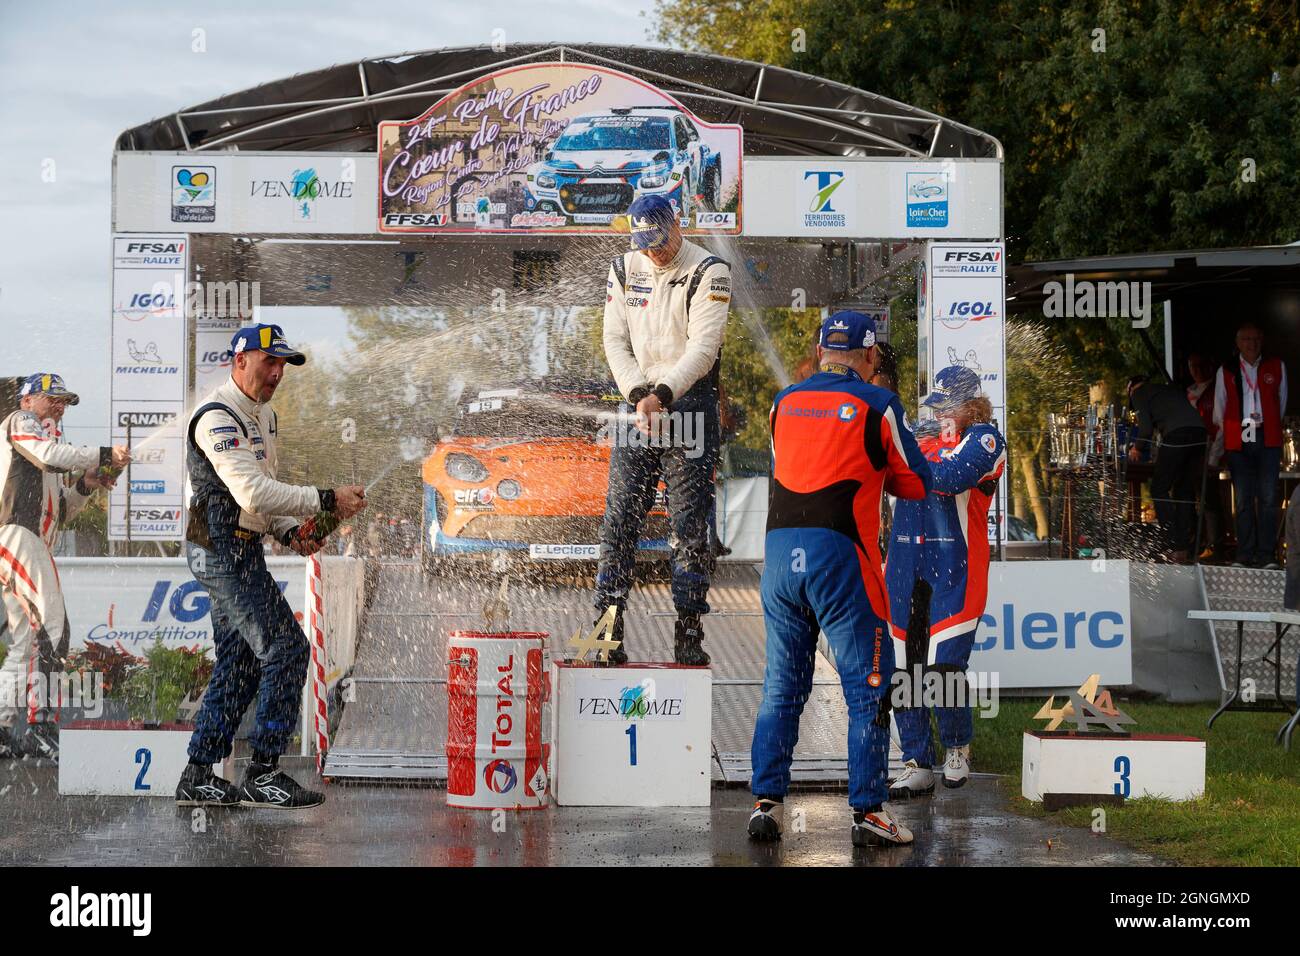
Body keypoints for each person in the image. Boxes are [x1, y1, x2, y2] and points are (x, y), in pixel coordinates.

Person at [748, 311, 931, 847]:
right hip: (843, 554)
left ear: (820, 350)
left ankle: (766, 805)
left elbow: (788, 467)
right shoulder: (879, 403)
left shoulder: (784, 402)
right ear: (871, 357)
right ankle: (869, 812)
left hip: (780, 556)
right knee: (869, 685)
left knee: (781, 686)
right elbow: (915, 482)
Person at [175, 323, 366, 809]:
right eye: (269, 363)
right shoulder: (216, 417)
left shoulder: (264, 417)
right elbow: (251, 491)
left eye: (283, 365)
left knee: (238, 662)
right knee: (287, 649)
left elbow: (264, 498)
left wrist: (295, 529)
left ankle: (197, 775)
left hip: (240, 550)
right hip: (218, 552)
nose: (278, 373)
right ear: (239, 362)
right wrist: (323, 497)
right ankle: (263, 772)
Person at [595, 194, 730, 665]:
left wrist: (663, 394)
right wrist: (637, 394)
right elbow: (613, 339)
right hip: (637, 405)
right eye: (643, 243)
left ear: (676, 226)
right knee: (618, 523)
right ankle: (604, 635)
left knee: (689, 528)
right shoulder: (623, 267)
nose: (652, 251)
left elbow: (704, 349)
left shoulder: (710, 270)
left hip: (688, 403)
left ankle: (688, 635)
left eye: (658, 241)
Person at [886, 365, 1005, 797]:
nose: (937, 415)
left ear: (970, 406)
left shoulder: (987, 438)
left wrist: (909, 456)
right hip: (903, 563)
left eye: (945, 408)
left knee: (944, 667)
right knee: (904, 668)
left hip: (956, 567)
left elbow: (951, 476)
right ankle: (917, 760)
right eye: (934, 407)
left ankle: (957, 746)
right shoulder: (918, 435)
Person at [0, 374, 128, 759]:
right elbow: (50, 455)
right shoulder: (21, 424)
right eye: (52, 398)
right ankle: (41, 726)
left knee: (24, 644)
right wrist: (102, 454)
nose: (60, 406)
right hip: (17, 535)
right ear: (27, 401)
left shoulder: (47, 451)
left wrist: (90, 483)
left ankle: (3, 724)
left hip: (29, 540)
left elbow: (64, 511)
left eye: (65, 401)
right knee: (54, 629)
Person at [1213, 322, 1288, 568]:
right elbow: (1219, 408)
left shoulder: (1276, 366)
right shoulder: (1227, 370)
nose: (1252, 343)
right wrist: (1231, 434)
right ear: (1238, 343)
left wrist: (1267, 424)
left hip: (1267, 434)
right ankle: (1244, 554)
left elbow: (1281, 402)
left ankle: (1267, 555)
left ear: (1262, 340)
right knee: (1244, 497)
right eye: (1246, 339)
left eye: (1256, 339)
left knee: (1268, 497)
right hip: (1240, 433)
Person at [1126, 375, 1207, 562]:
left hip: (1177, 435)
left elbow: (1145, 429)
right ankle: (1186, 548)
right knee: (1183, 491)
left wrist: (1136, 448)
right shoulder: (1166, 390)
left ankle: (1171, 543)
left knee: (1159, 488)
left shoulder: (1138, 393)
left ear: (1130, 388)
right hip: (1200, 433)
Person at [1187, 352, 1224, 559]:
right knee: (1190, 499)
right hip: (1191, 452)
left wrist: (1214, 457)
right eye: (1193, 366)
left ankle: (1215, 546)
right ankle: (1196, 543)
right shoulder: (1188, 392)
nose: (1197, 371)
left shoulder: (1217, 389)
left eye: (1201, 366)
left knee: (1210, 501)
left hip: (1212, 451)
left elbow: (1222, 425)